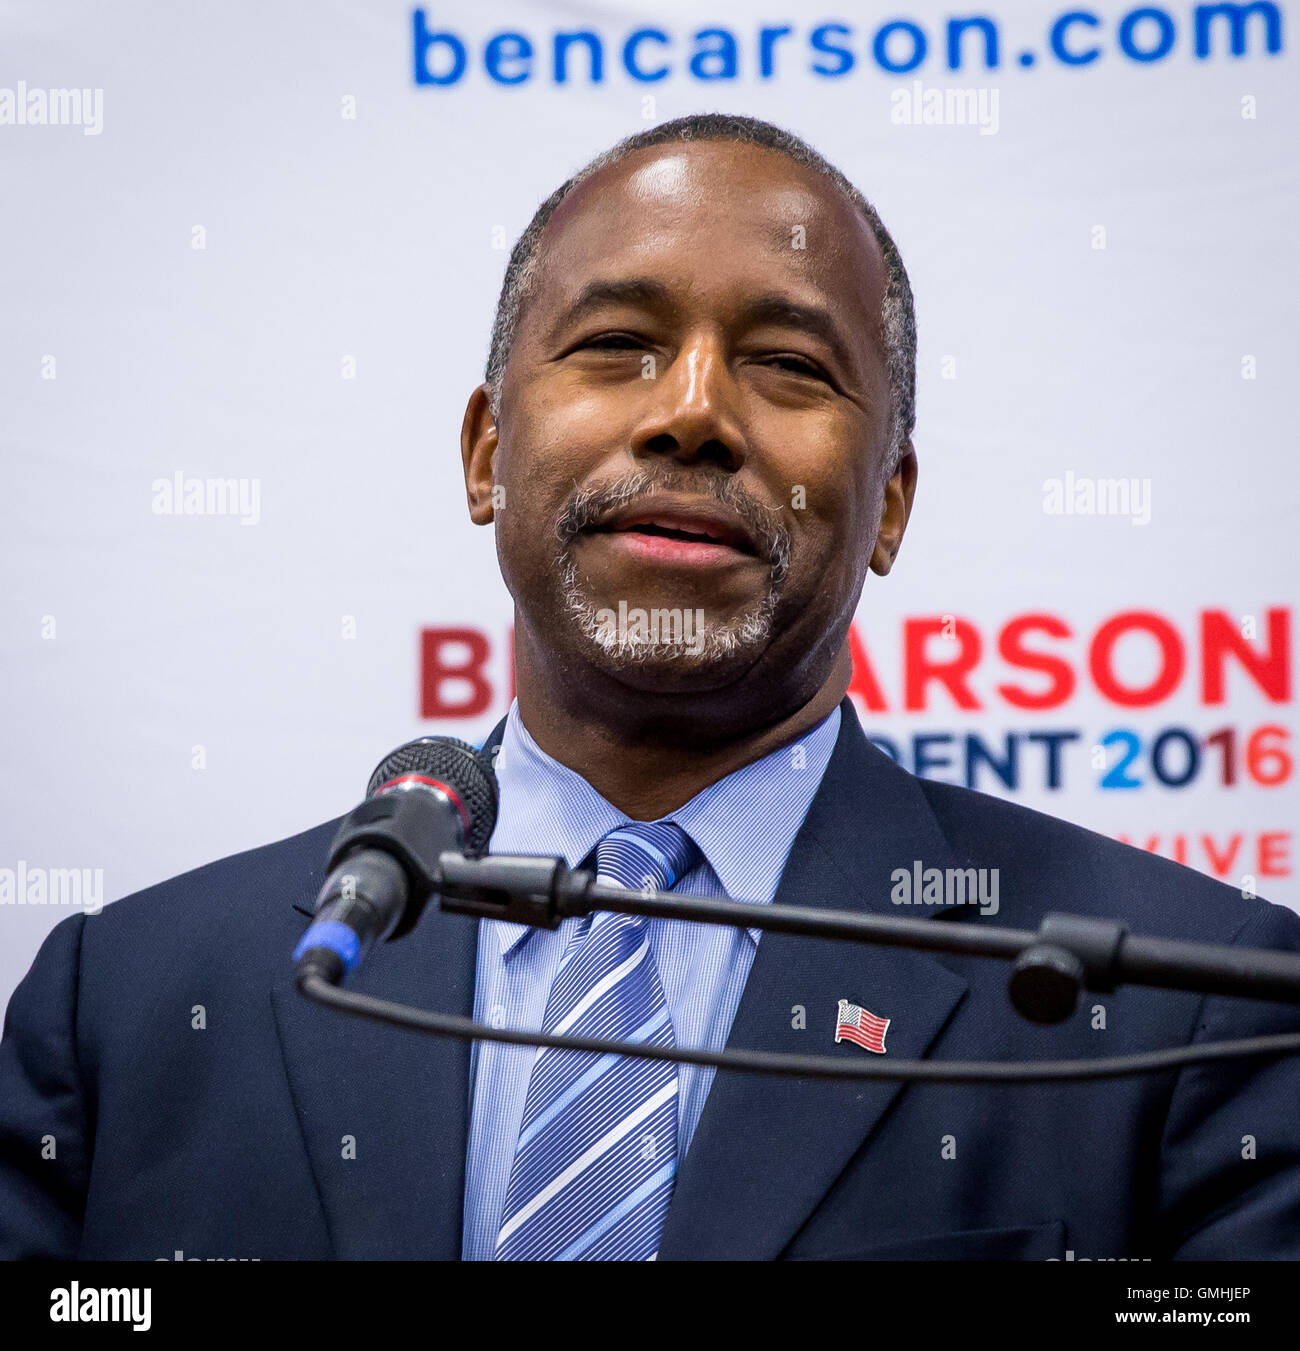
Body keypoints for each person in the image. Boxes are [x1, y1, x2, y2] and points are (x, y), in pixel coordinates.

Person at [2, 113, 1297, 1262]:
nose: (692, 412)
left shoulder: (1194, 1009)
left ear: (890, 504)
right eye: (618, 342)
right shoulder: (123, 1006)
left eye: (789, 364)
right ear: (485, 455)